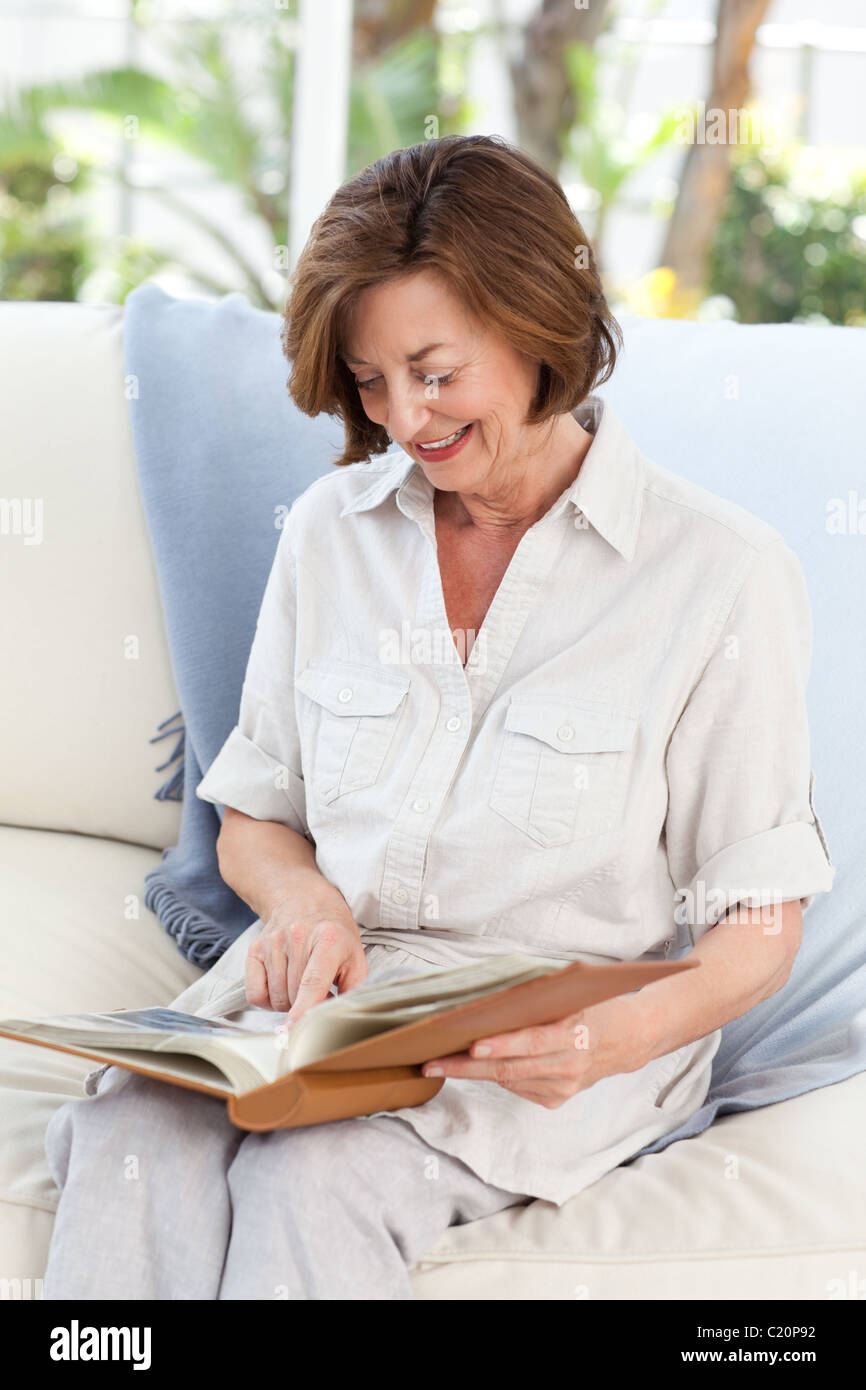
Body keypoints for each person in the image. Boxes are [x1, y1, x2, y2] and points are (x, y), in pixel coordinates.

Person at [43, 133, 834, 1301]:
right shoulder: (330, 533)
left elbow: (753, 927)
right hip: (322, 1014)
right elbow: (255, 817)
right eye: (368, 379)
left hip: (547, 1039)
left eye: (433, 369)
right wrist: (305, 902)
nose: (404, 416)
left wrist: (604, 1042)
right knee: (131, 1138)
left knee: (316, 1177)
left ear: (533, 328)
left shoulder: (718, 574)